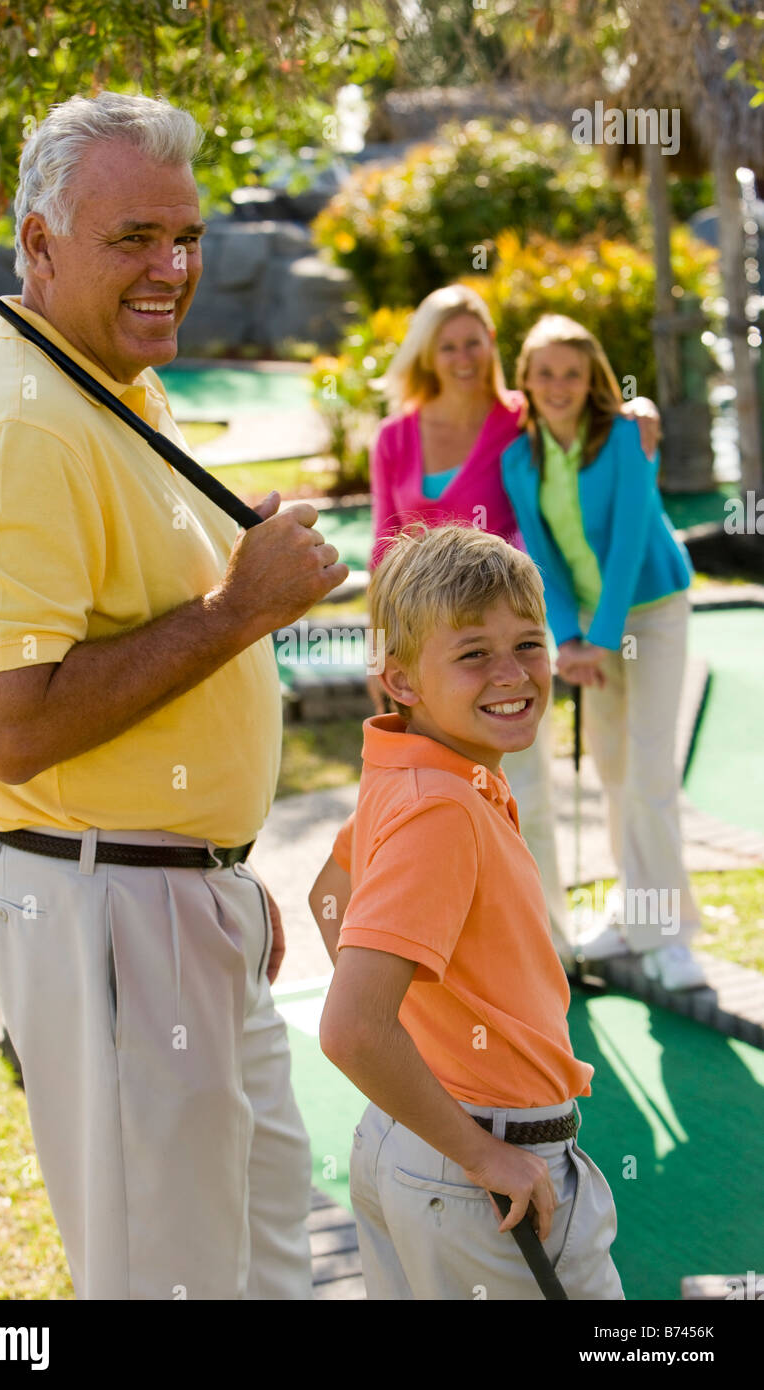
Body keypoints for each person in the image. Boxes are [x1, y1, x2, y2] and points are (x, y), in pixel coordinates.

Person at [0, 92, 349, 1300]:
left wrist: (207, 869)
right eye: (132, 239)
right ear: (38, 247)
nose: (173, 268)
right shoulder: (18, 425)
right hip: (106, 911)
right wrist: (237, 609)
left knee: (254, 1263)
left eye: (187, 235)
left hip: (167, 896)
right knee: (167, 1280)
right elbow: (16, 721)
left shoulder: (105, 376)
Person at [310, 524, 624, 1300]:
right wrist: (482, 1154)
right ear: (403, 680)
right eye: (474, 653)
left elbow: (330, 895)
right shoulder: (441, 807)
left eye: (529, 643)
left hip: (407, 1145)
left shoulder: (409, 767)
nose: (513, 673)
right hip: (482, 1165)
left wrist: (424, 1035)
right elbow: (351, 1028)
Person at [366, 284, 659, 963]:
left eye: (477, 342)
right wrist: (379, 653)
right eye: (450, 344)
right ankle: (461, 945)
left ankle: (547, 945)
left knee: (523, 790)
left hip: (504, 643)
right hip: (424, 650)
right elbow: (384, 549)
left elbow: (590, 405)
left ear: (494, 349)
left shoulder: (517, 419)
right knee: (439, 792)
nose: (465, 356)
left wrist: (639, 407)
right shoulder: (396, 436)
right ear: (428, 353)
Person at [500, 314, 703, 991]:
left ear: (593, 381)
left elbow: (627, 543)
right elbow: (546, 561)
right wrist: (569, 640)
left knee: (648, 769)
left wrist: (602, 639)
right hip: (588, 623)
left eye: (573, 373)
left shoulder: (627, 437)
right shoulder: (518, 459)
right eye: (546, 372)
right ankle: (633, 912)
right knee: (614, 768)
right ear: (525, 377)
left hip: (652, 608)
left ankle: (670, 935)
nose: (559, 386)